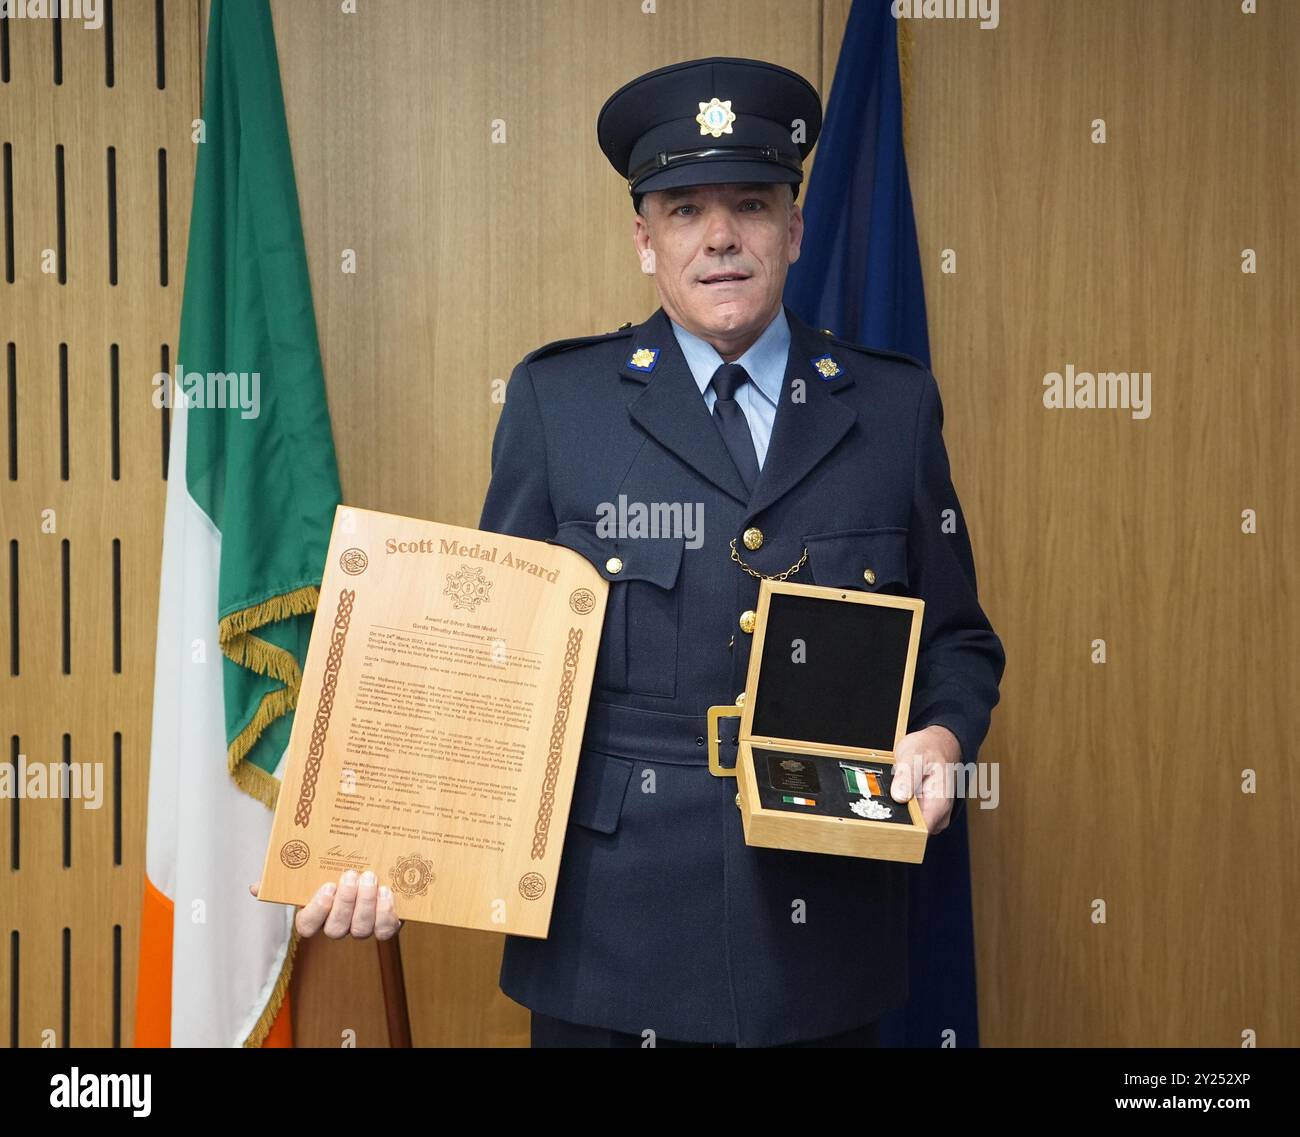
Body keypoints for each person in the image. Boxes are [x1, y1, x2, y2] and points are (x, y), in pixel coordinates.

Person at [259, 55, 1004, 1049]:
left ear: (794, 225)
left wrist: (943, 740)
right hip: (609, 938)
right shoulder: (558, 405)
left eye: (749, 204)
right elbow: (484, 657)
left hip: (820, 934)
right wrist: (388, 843)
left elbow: (958, 640)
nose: (720, 238)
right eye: (685, 210)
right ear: (643, 240)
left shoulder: (891, 405)